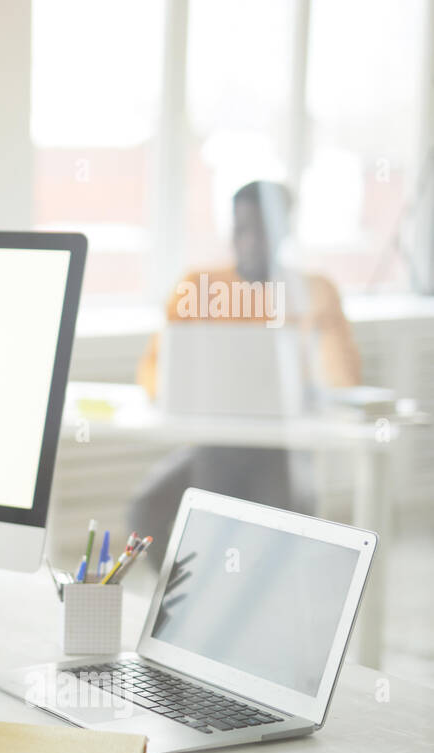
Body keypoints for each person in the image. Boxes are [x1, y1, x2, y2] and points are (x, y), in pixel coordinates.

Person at [128, 181, 363, 569]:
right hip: (213, 443)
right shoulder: (198, 287)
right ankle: (178, 605)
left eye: (263, 230)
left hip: (280, 448)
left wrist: (310, 369)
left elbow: (344, 379)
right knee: (145, 511)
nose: (251, 241)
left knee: (268, 537)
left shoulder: (314, 291)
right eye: (242, 230)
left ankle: (236, 601)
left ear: (284, 231)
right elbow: (154, 369)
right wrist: (178, 395)